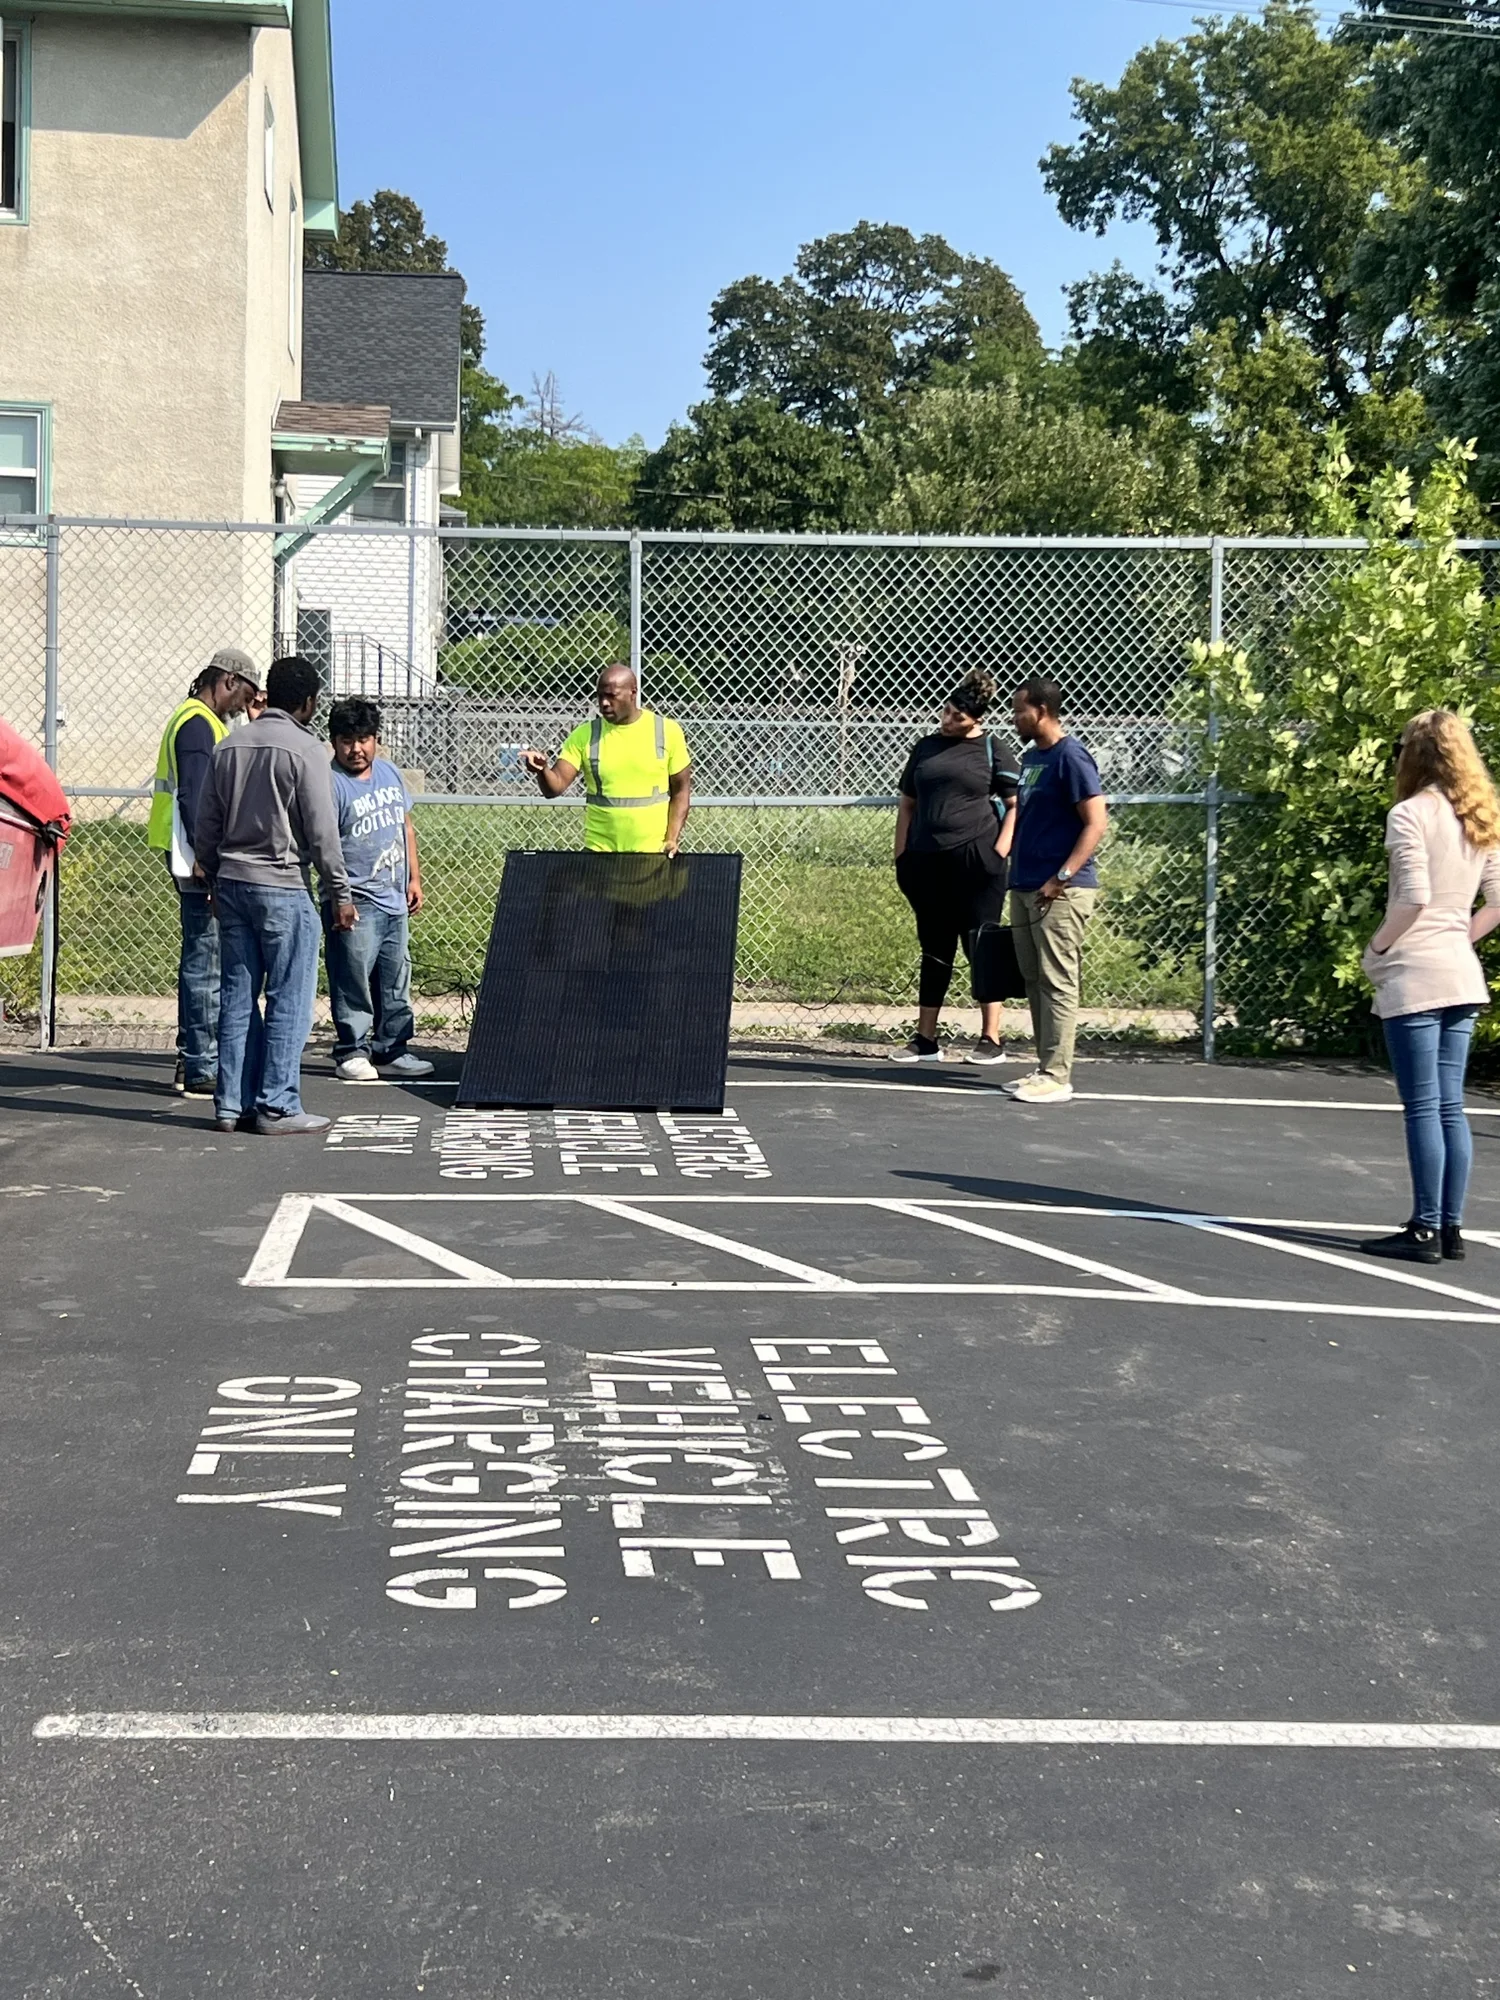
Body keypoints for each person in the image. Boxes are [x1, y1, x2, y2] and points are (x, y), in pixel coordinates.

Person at [193, 655, 357, 1136]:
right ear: (308, 702)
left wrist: (214, 876)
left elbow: (207, 823)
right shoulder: (306, 751)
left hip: (233, 882)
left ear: (267, 693)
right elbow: (323, 832)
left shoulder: (231, 746)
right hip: (283, 884)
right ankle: (278, 1105)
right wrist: (339, 892)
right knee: (288, 994)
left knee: (238, 994)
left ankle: (230, 1104)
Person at [1361, 710, 1500, 1264]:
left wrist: (1378, 948)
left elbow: (1412, 897)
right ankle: (1451, 1227)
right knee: (1449, 1107)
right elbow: (1497, 901)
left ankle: (1423, 1228)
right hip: (1461, 971)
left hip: (1416, 969)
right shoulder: (1479, 814)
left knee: (1422, 1107)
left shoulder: (1410, 814)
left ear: (1413, 754)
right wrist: (1459, 936)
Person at [145, 648, 261, 1099]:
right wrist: (205, 856)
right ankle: (199, 1066)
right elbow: (196, 796)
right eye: (245, 693)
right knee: (206, 958)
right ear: (229, 680)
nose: (244, 704)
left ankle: (191, 1056)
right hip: (195, 855)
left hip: (190, 851)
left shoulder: (198, 720)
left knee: (203, 954)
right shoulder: (198, 726)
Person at [891, 670, 1020, 1063]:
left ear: (977, 718)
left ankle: (991, 1039)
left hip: (978, 864)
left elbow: (1016, 805)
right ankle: (925, 1040)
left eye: (957, 718)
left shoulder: (993, 749)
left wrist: (997, 853)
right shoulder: (926, 747)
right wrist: (901, 855)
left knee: (981, 946)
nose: (948, 721)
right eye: (946, 712)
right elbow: (907, 803)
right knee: (934, 947)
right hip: (927, 863)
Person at [1003, 676, 1108, 1106]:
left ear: (1041, 711)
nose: (1014, 717)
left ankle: (1057, 1074)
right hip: (1025, 884)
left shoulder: (1071, 756)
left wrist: (1060, 877)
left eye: (1019, 710)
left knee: (1058, 981)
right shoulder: (1031, 759)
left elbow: (1095, 823)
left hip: (1060, 891)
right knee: (1033, 979)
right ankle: (1043, 1065)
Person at [324, 695, 433, 1083]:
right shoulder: (330, 784)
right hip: (356, 900)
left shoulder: (388, 773)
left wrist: (413, 878)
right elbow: (326, 846)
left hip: (393, 896)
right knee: (352, 976)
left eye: (364, 739)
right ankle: (351, 1050)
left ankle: (393, 1046)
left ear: (376, 739)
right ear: (334, 742)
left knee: (394, 976)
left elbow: (404, 827)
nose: (356, 749)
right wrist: (341, 898)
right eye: (347, 740)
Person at [522, 664, 692, 854]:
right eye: (600, 696)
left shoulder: (667, 731)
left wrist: (671, 839)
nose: (603, 703)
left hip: (652, 854)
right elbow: (555, 787)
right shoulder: (585, 735)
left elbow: (681, 791)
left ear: (632, 693)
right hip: (599, 855)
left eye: (611, 696)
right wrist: (542, 770)